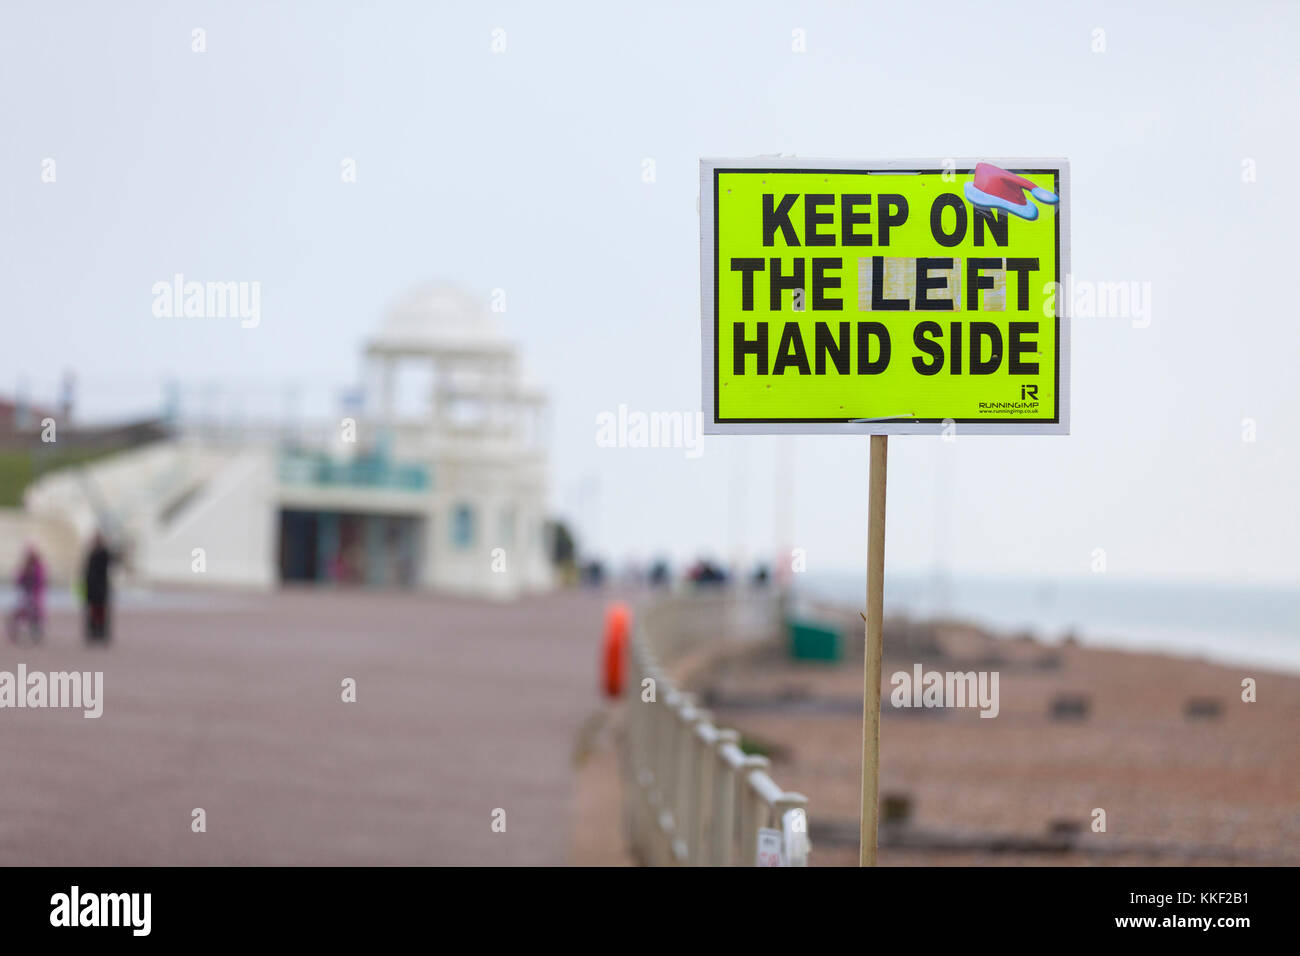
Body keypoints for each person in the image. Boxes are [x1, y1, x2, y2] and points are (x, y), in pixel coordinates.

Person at [7, 545, 45, 643]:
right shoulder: (25, 567)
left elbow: (40, 581)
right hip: (25, 593)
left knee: (34, 614)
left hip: (34, 593)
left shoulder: (38, 567)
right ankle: (16, 632)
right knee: (21, 612)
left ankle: (35, 632)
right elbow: (18, 580)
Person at [84, 533, 114, 644]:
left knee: (100, 612)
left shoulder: (104, 554)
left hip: (100, 588)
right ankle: (93, 632)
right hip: (92, 588)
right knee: (93, 612)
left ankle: (100, 633)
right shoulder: (92, 553)